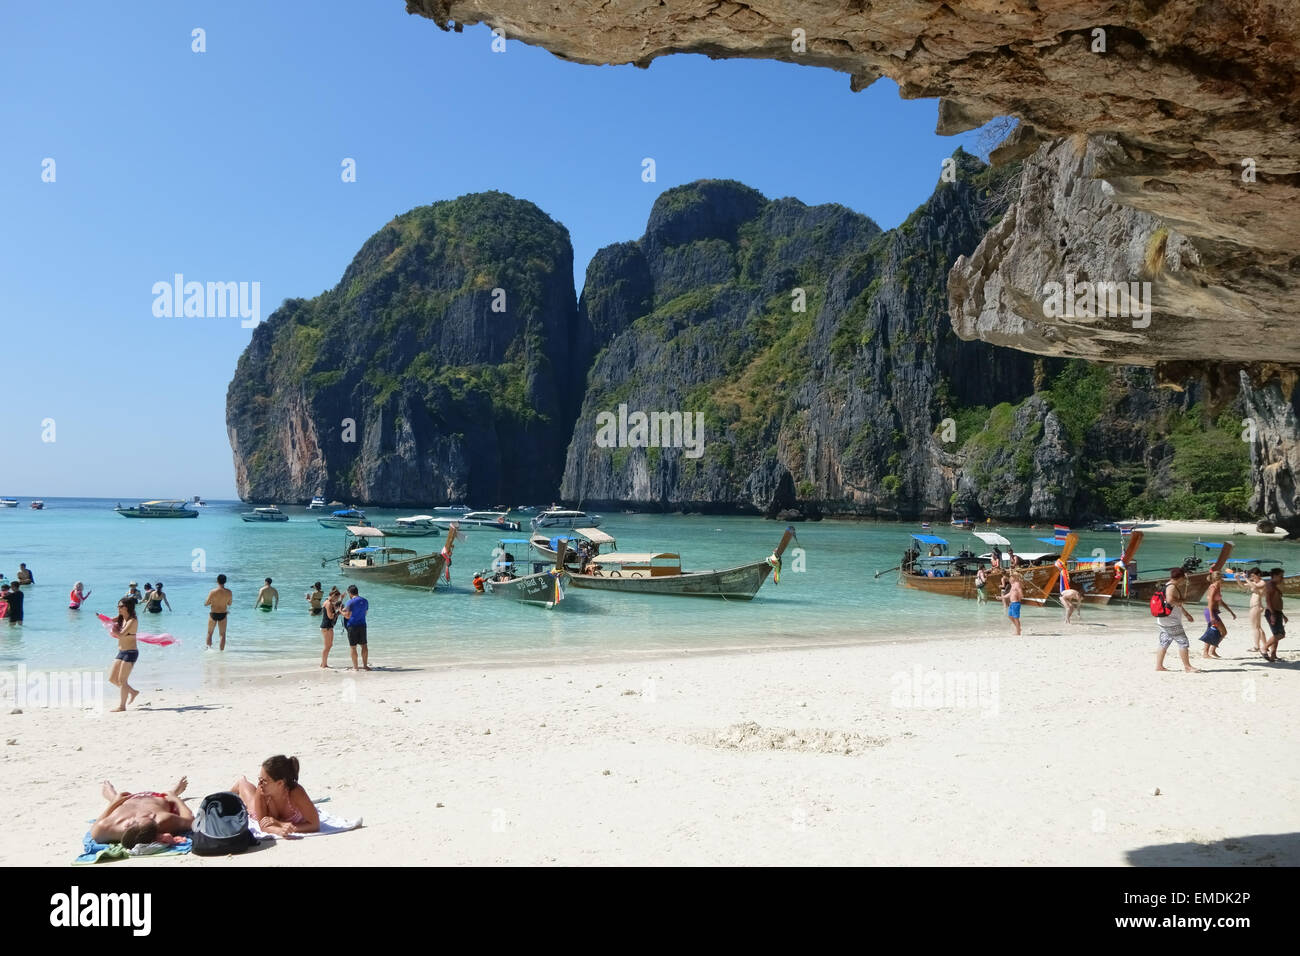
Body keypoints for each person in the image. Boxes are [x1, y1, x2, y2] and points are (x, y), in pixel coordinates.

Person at [230, 755, 320, 837]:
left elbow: (315, 825)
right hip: (263, 807)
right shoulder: (261, 790)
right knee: (250, 800)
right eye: (259, 779)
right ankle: (241, 782)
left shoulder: (296, 792)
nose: (260, 783)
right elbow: (263, 825)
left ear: (280, 783)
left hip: (274, 813)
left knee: (252, 799)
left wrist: (280, 824)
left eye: (264, 780)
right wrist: (279, 830)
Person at [91, 777, 194, 847]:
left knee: (117, 798)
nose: (152, 815)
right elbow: (190, 820)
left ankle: (112, 796)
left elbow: (96, 825)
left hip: (127, 800)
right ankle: (174, 791)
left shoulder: (105, 828)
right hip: (158, 797)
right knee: (169, 795)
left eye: (150, 817)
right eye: (152, 817)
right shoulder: (162, 820)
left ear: (128, 824)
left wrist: (114, 802)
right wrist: (175, 799)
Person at [1155, 568, 1198, 673]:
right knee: (1183, 642)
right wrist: (1182, 600)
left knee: (1164, 642)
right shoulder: (1172, 587)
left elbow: (1175, 604)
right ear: (1181, 577)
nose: (1184, 580)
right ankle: (1187, 667)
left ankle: (1159, 666)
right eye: (1183, 578)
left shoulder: (1167, 585)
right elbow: (1170, 601)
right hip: (1171, 621)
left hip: (1163, 620)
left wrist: (1186, 614)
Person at [108, 597, 140, 711]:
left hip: (130, 653)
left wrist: (113, 629)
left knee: (122, 681)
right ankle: (132, 691)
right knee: (112, 678)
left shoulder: (132, 621)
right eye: (118, 606)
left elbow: (121, 635)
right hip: (121, 652)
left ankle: (122, 706)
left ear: (128, 607)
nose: (119, 608)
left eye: (121, 606)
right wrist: (101, 618)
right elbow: (110, 620)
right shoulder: (121, 618)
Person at [1198, 570, 1236, 659]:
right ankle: (1206, 653)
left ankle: (1212, 650)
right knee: (1214, 631)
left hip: (1213, 612)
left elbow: (1221, 602)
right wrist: (1211, 616)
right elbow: (1210, 602)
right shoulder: (1213, 588)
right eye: (1222, 578)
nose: (1223, 580)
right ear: (1218, 579)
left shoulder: (1217, 588)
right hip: (1210, 612)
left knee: (1217, 631)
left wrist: (1231, 612)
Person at [1235, 567, 1267, 653]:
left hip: (1256, 605)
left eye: (1253, 576)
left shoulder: (1262, 582)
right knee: (1258, 627)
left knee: (1255, 627)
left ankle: (1256, 646)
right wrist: (1238, 578)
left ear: (1258, 575)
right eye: (1251, 576)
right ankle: (1265, 645)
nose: (1252, 578)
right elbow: (1242, 586)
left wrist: (1245, 578)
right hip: (1255, 606)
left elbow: (1255, 586)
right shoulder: (1254, 582)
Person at [340, 584, 370, 671]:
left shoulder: (350, 602)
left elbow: (347, 616)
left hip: (352, 626)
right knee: (364, 646)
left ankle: (355, 667)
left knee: (353, 647)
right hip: (362, 625)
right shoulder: (365, 601)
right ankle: (365, 665)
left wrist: (340, 611)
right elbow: (365, 613)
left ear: (350, 593)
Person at [1263, 568, 1288, 663]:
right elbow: (1268, 601)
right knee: (1280, 634)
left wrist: (1283, 615)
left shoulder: (1274, 585)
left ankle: (1273, 655)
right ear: (1275, 576)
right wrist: (1273, 614)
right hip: (1272, 612)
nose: (1282, 578)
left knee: (1276, 635)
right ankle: (1264, 648)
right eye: (1281, 576)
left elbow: (1276, 601)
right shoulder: (1270, 585)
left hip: (1277, 612)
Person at [204, 574, 234, 650]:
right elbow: (229, 603)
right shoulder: (229, 592)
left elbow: (206, 603)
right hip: (223, 614)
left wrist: (212, 601)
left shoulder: (213, 592)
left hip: (213, 614)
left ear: (217, 581)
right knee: (222, 634)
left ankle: (208, 650)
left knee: (209, 633)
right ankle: (221, 652)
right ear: (225, 582)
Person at [318, 589, 340, 668]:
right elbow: (330, 616)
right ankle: (324, 664)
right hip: (327, 627)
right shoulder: (328, 604)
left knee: (328, 645)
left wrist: (337, 611)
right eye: (336, 598)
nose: (336, 600)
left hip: (326, 626)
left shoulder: (327, 602)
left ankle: (323, 663)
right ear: (333, 596)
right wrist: (338, 613)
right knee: (327, 646)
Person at [1002, 571, 1023, 636]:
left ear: (1015, 578)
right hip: (1012, 603)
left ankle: (1018, 632)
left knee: (1016, 618)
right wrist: (1002, 597)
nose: (1009, 579)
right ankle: (1018, 628)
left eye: (1011, 578)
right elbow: (1010, 594)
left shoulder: (1017, 584)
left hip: (1016, 603)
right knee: (1010, 616)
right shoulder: (1013, 585)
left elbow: (1020, 591)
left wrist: (1020, 597)